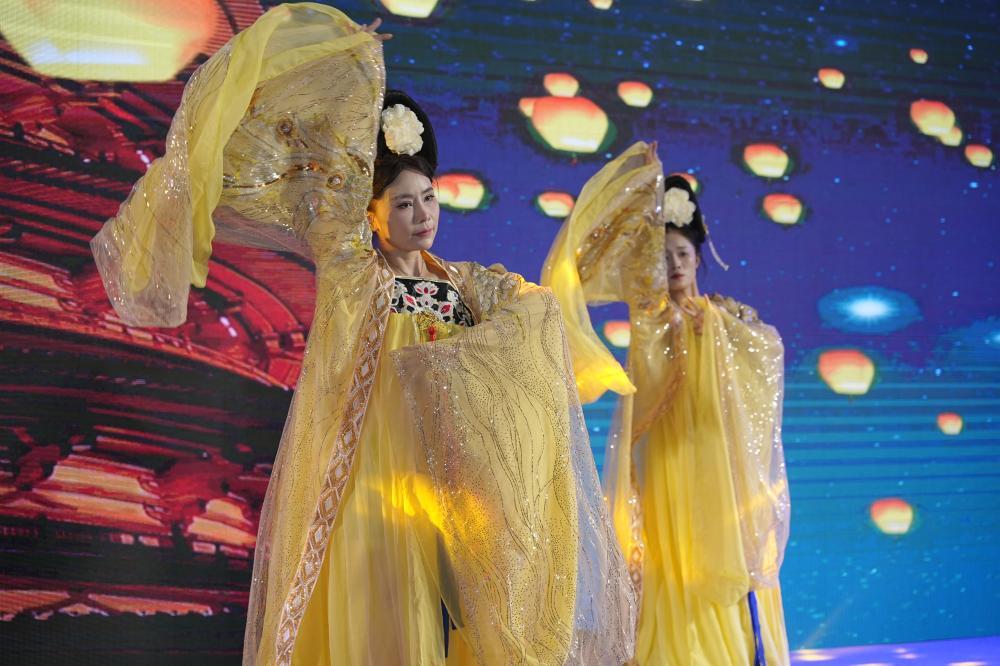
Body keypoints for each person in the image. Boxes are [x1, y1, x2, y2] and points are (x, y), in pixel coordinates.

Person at [90, 4, 634, 665]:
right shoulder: (357, 275)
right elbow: (328, 201)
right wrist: (358, 79)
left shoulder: (467, 284)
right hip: (379, 486)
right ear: (372, 215)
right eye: (403, 203)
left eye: (429, 198)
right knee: (394, 625)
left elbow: (532, 310)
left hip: (454, 485)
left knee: (467, 622)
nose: (422, 215)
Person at [542, 141, 791, 665]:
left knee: (719, 550)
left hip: (716, 461)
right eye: (664, 256)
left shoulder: (726, 315)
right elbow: (588, 260)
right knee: (665, 551)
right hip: (665, 459)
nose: (674, 264)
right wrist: (640, 189)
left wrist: (716, 330)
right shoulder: (652, 316)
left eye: (681, 254)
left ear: (699, 257)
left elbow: (768, 353)